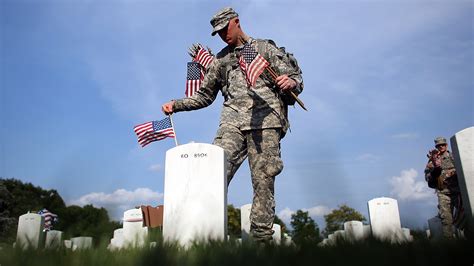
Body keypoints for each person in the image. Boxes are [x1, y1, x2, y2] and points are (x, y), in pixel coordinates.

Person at [161, 7, 303, 242]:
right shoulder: (220, 60)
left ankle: (262, 242)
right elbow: (204, 96)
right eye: (218, 33)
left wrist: (291, 82)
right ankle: (203, 236)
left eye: (225, 29)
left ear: (237, 22)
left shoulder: (262, 49)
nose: (223, 35)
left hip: (265, 122)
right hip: (232, 122)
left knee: (263, 181)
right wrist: (177, 104)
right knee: (213, 174)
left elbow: (294, 77)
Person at [424, 137, 460, 239]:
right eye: (439, 146)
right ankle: (449, 244)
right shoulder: (432, 160)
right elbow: (427, 177)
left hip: (458, 192)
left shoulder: (453, 156)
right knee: (446, 219)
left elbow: (461, 168)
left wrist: (452, 173)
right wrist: (434, 173)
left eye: (443, 145)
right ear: (436, 147)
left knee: (465, 215)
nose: (441, 147)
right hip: (443, 193)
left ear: (446, 145)